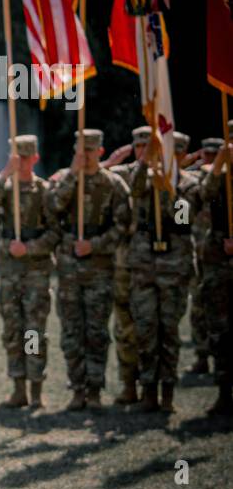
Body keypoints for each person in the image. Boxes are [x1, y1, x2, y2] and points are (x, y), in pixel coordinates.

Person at [49, 129, 130, 411]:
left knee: (96, 332)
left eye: (90, 151)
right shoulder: (65, 179)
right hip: (69, 269)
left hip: (99, 268)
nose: (85, 156)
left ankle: (94, 389)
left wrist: (94, 245)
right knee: (72, 332)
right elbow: (53, 208)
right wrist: (73, 174)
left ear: (101, 152)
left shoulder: (114, 184)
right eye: (81, 151)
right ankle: (77, 388)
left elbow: (123, 226)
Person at [0, 136, 59, 409]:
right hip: (11, 274)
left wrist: (30, 248)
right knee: (12, 332)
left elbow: (55, 233)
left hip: (36, 273)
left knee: (34, 333)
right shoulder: (6, 189)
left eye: (26, 157)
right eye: (17, 157)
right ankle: (18, 388)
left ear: (35, 158)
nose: (22, 162)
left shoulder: (44, 191)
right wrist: (4, 174)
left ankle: (36, 389)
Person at [126, 137, 203, 413]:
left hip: (174, 266)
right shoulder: (145, 179)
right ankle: (148, 392)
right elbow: (132, 191)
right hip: (145, 265)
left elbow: (183, 219)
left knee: (169, 332)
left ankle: (167, 393)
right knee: (146, 331)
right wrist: (145, 160)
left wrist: (168, 191)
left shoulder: (190, 185)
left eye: (178, 150)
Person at [104, 126, 154, 403]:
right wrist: (110, 162)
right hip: (125, 264)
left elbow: (184, 218)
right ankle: (129, 384)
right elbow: (90, 180)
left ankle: (152, 387)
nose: (142, 152)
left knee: (152, 326)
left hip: (157, 265)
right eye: (138, 147)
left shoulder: (168, 177)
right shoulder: (121, 176)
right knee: (124, 327)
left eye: (148, 147)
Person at [201, 131, 233, 415]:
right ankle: (224, 391)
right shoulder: (216, 175)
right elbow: (203, 195)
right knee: (220, 330)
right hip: (218, 260)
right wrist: (220, 164)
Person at [188, 137, 223, 375]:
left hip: (220, 253)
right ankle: (202, 355)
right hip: (197, 252)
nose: (209, 158)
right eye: (207, 154)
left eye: (215, 154)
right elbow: (181, 218)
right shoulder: (191, 180)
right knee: (198, 306)